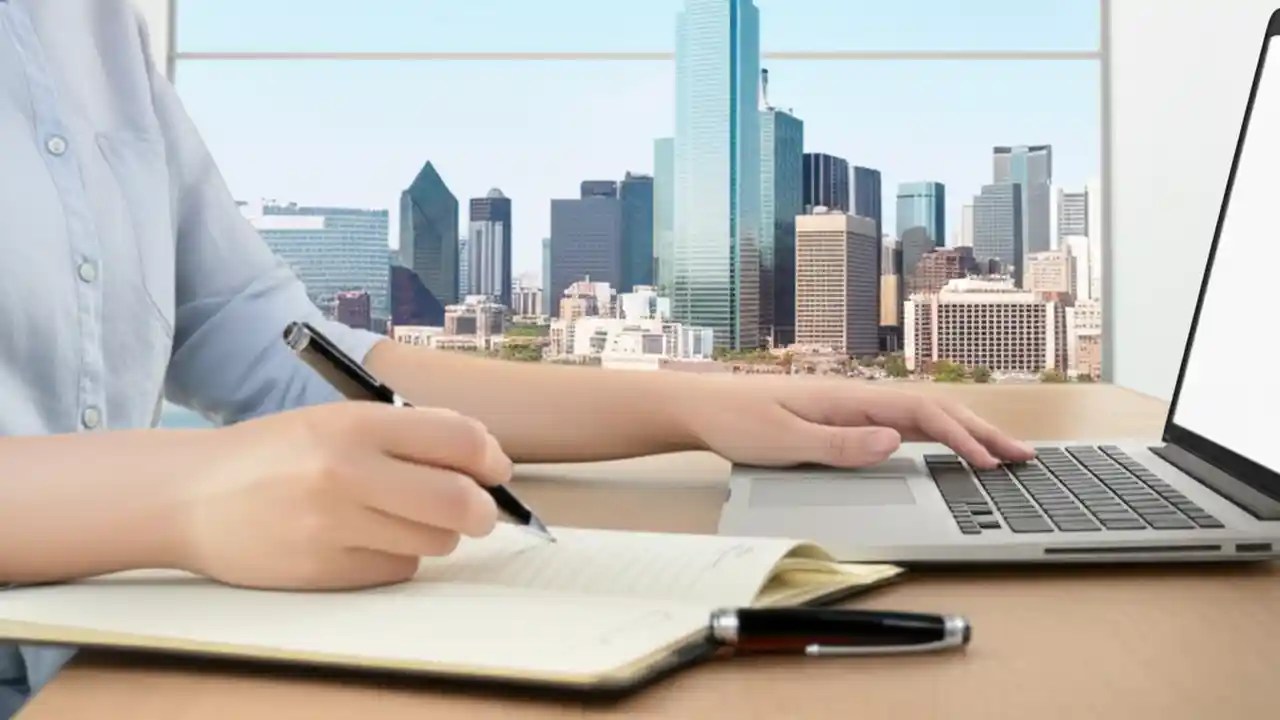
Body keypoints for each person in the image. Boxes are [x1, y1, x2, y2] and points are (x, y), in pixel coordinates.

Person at [0, 0, 1035, 715]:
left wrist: (697, 405)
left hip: (103, 674)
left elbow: (274, 343)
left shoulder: (94, 31)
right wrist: (184, 497)